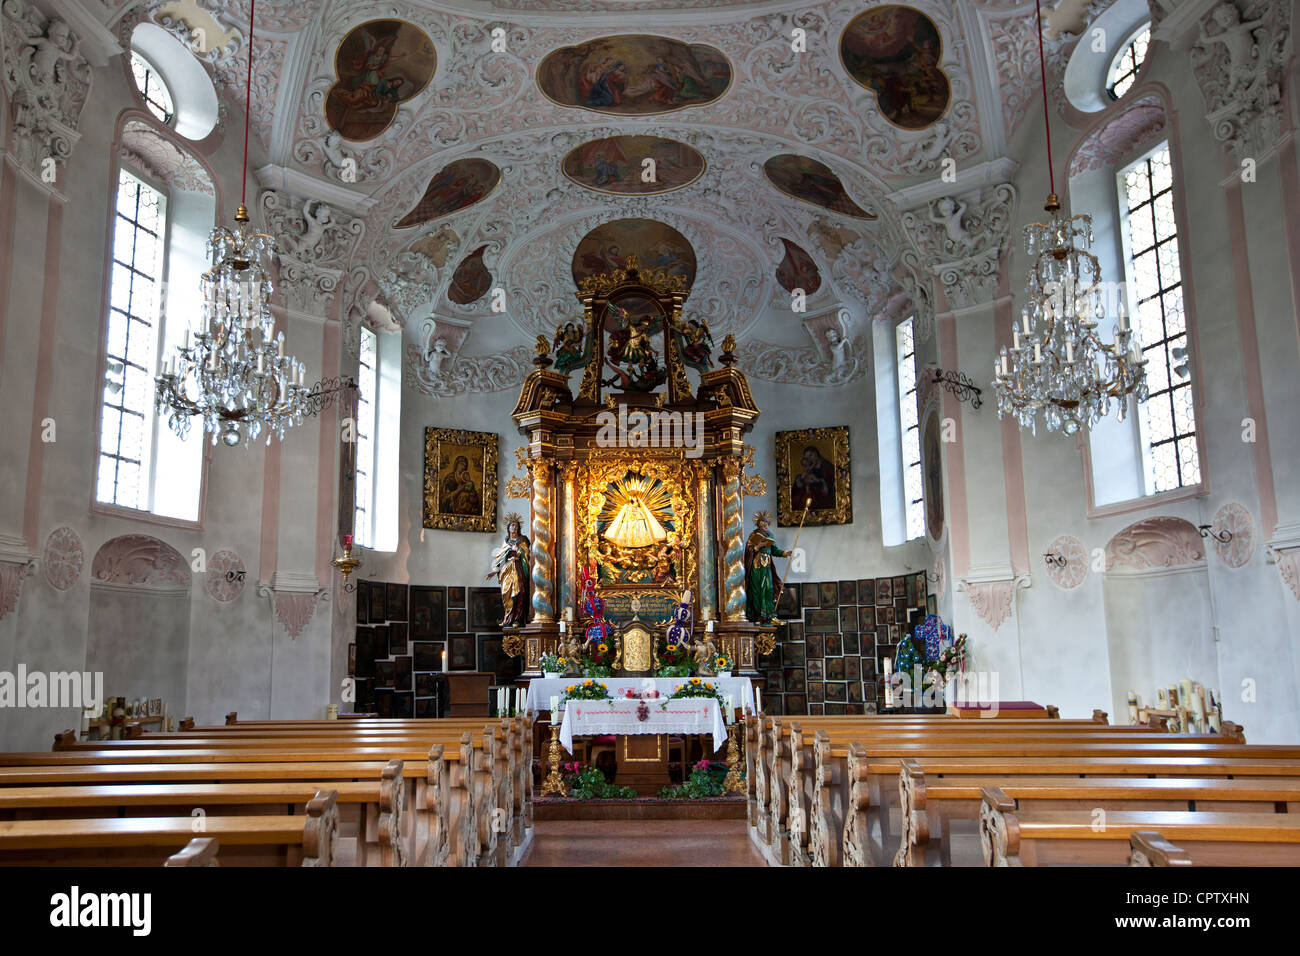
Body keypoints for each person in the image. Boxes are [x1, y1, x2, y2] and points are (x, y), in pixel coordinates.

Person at [744, 512, 788, 624]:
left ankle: (770, 616)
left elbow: (774, 550)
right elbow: (748, 550)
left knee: (768, 589)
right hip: (756, 566)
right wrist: (757, 546)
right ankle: (758, 616)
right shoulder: (753, 535)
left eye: (766, 525)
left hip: (767, 566)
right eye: (762, 526)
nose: (765, 527)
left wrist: (784, 553)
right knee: (757, 590)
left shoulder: (770, 535)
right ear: (758, 525)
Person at [486, 517, 530, 628]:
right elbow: (499, 558)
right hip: (507, 570)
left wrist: (518, 550)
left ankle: (517, 619)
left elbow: (526, 552)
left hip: (518, 568)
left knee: (520, 592)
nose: (514, 527)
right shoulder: (506, 542)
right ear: (508, 528)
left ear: (518, 528)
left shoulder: (522, 540)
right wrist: (494, 570)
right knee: (507, 593)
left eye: (516, 525)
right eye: (512, 525)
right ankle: (508, 618)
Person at [793, 445, 835, 510]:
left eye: (810, 455)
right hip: (813, 488)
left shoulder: (828, 467)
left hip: (822, 493)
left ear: (816, 454)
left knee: (806, 497)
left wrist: (817, 482)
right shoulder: (811, 466)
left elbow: (829, 486)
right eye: (807, 458)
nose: (809, 459)